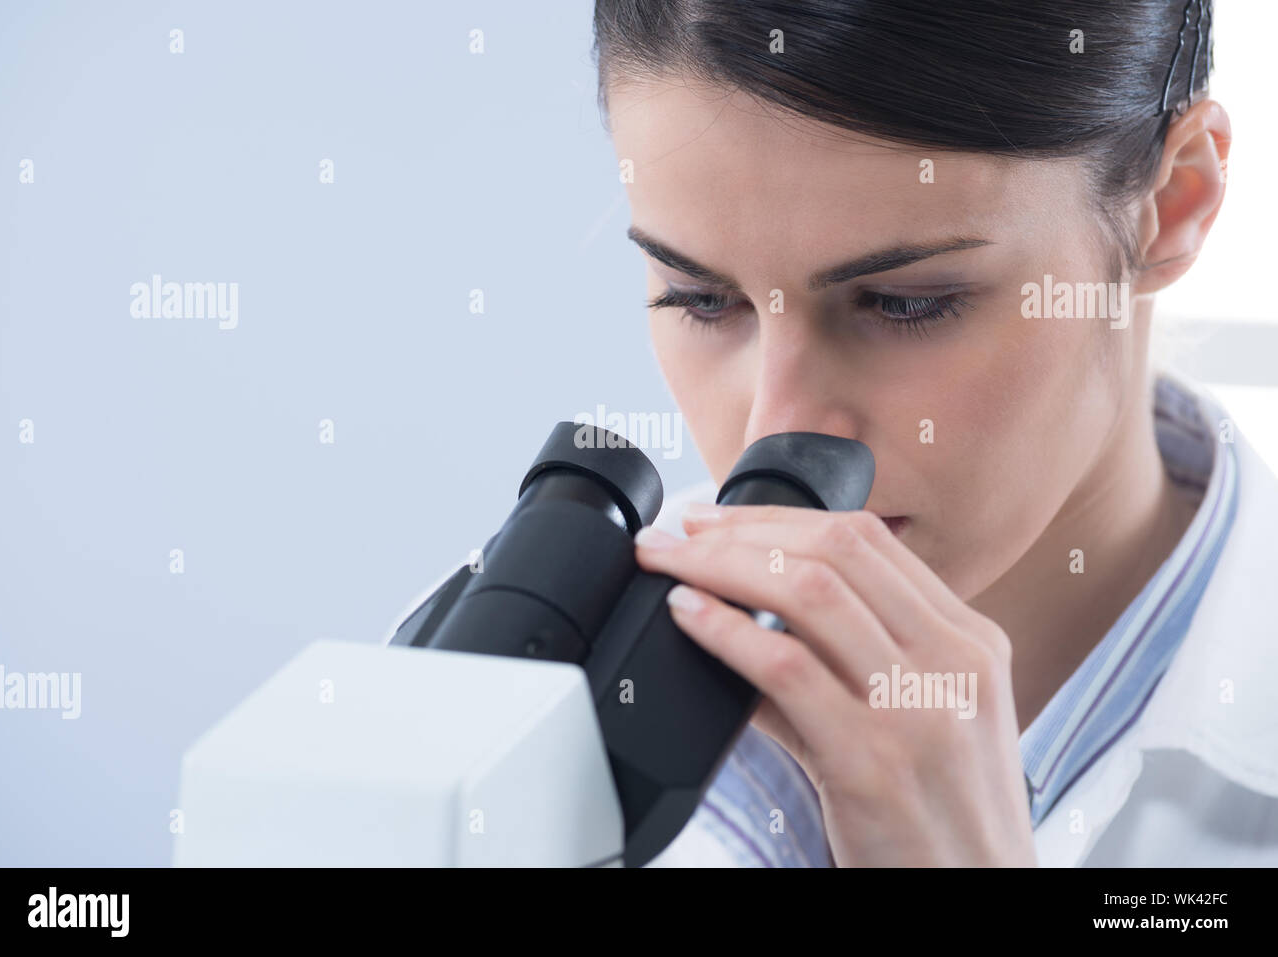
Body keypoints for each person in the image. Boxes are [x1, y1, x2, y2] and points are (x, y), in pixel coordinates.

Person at [391, 0, 1278, 866]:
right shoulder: (486, 698)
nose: (774, 430)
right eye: (701, 299)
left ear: (1174, 202)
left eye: (906, 304)